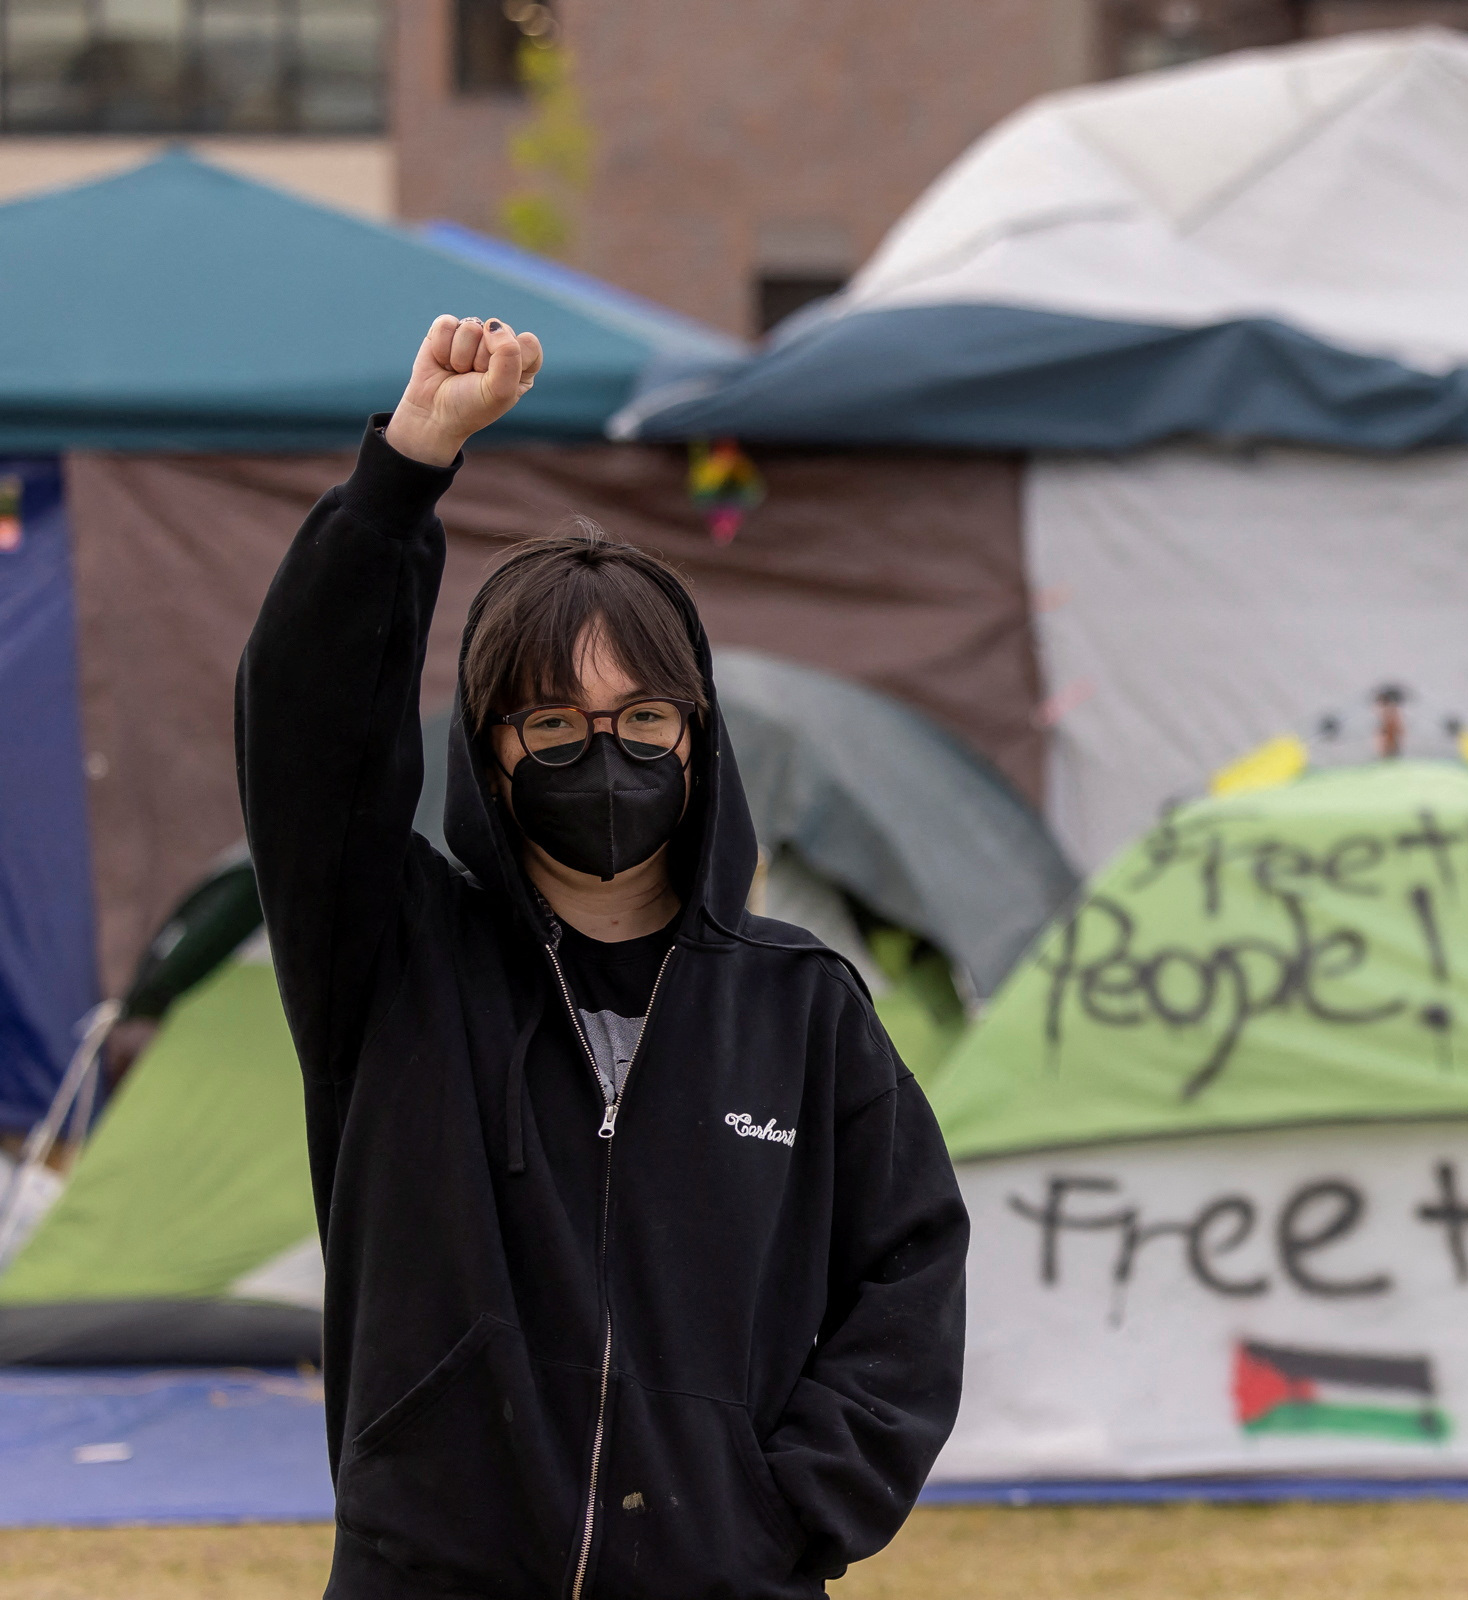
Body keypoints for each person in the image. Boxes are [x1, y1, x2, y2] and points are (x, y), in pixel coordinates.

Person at [238, 315, 968, 1599]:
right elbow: (304, 727)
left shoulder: (804, 1010)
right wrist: (407, 466)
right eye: (554, 724)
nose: (607, 754)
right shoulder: (393, 961)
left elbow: (910, 1272)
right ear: (489, 747)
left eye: (642, 718)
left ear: (698, 737)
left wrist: (790, 1509)